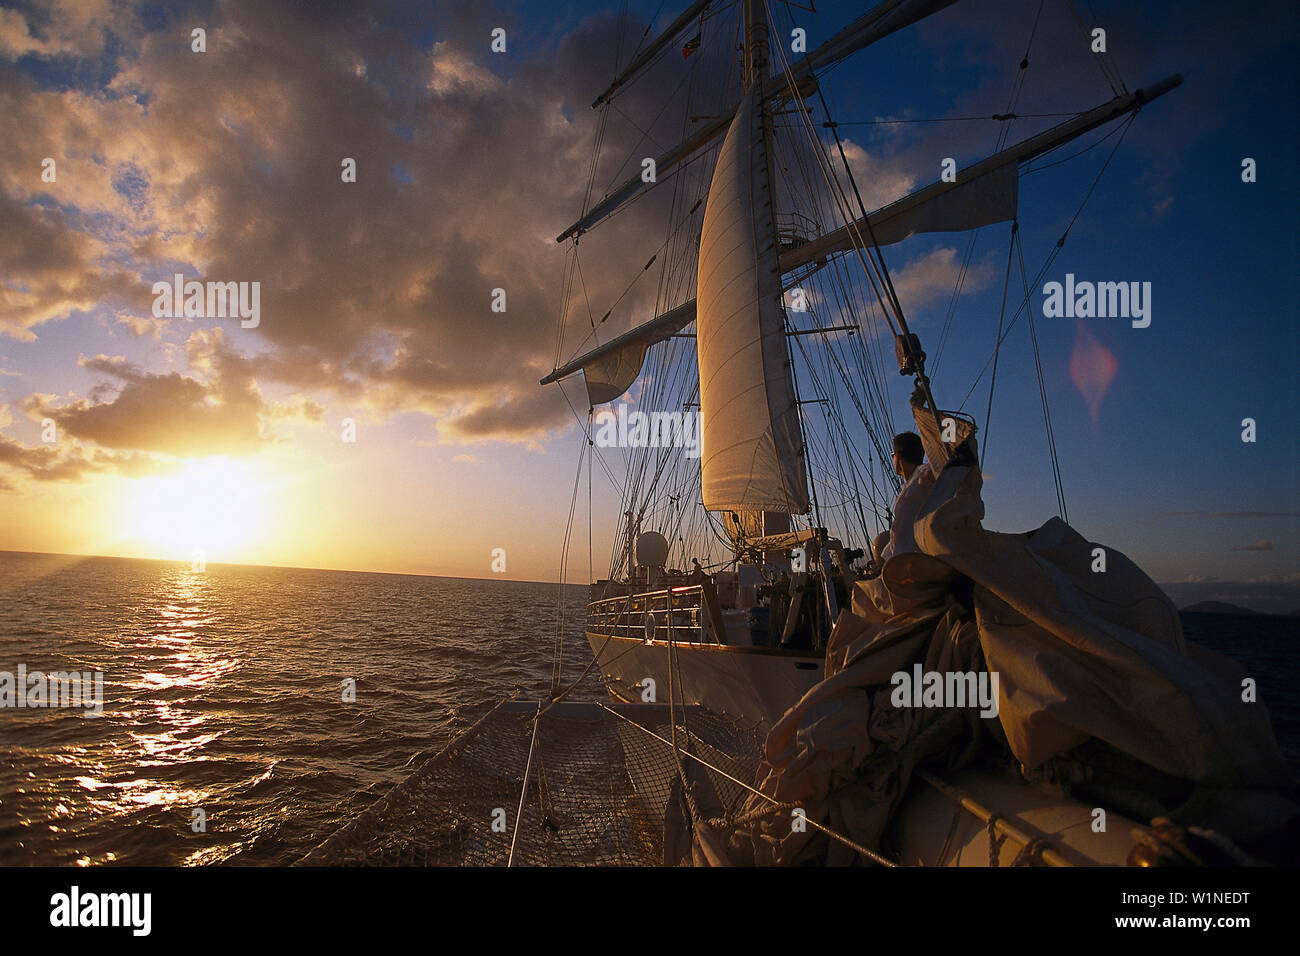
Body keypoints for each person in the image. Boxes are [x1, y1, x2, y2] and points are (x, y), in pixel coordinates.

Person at [880, 431, 933, 562]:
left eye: (893, 454)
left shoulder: (922, 479)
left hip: (912, 564)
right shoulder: (912, 484)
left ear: (899, 455)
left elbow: (903, 536)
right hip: (910, 561)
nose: (893, 458)